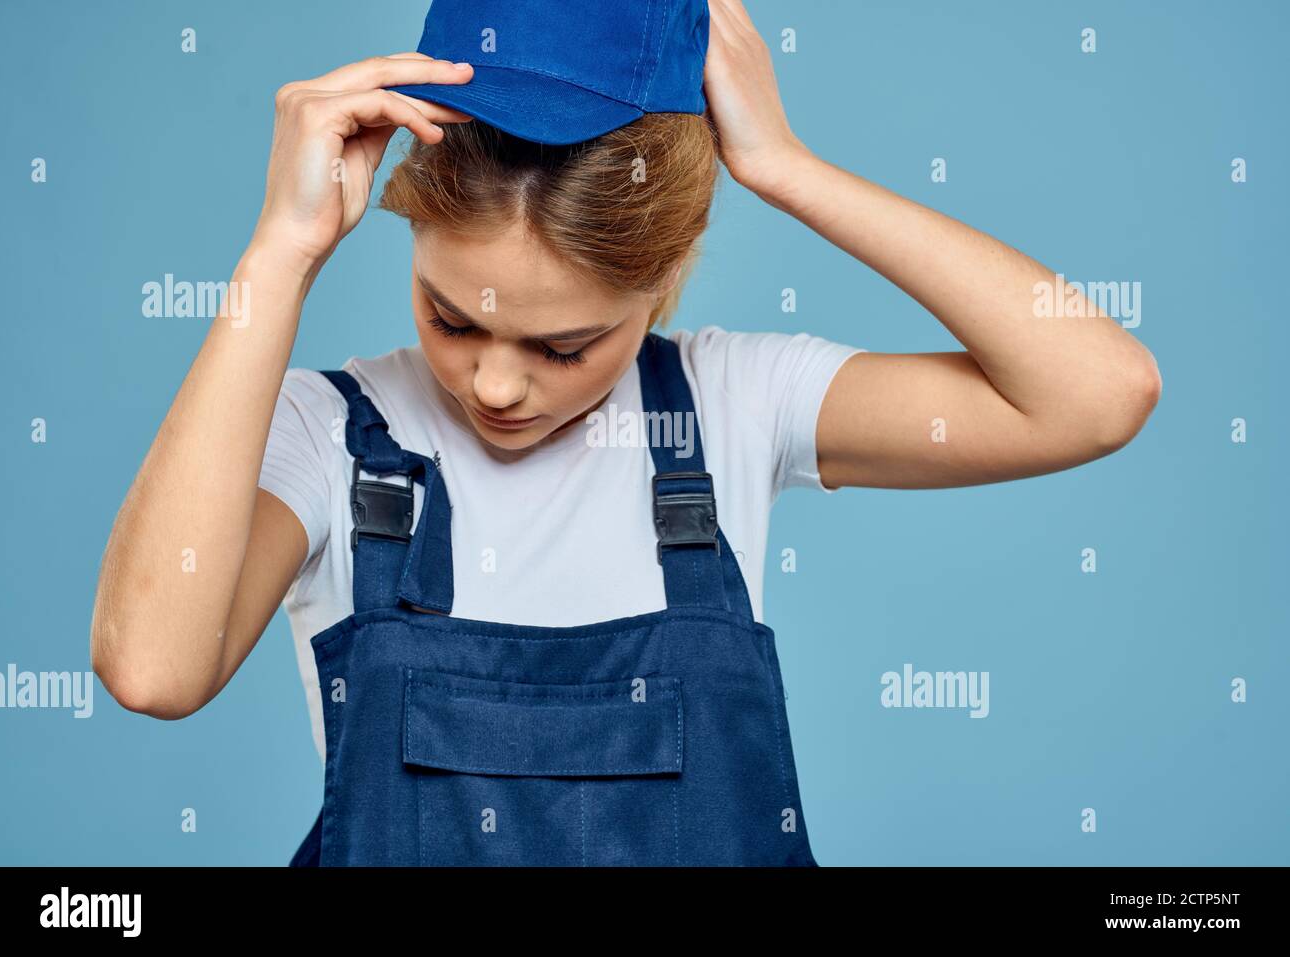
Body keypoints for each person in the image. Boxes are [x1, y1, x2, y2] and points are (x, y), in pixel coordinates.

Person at [90, 0, 1160, 865]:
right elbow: (152, 670)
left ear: (664, 282)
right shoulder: (328, 435)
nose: (496, 385)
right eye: (451, 319)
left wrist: (786, 167)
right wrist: (278, 254)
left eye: (565, 346)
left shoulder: (734, 405)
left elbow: (1097, 393)